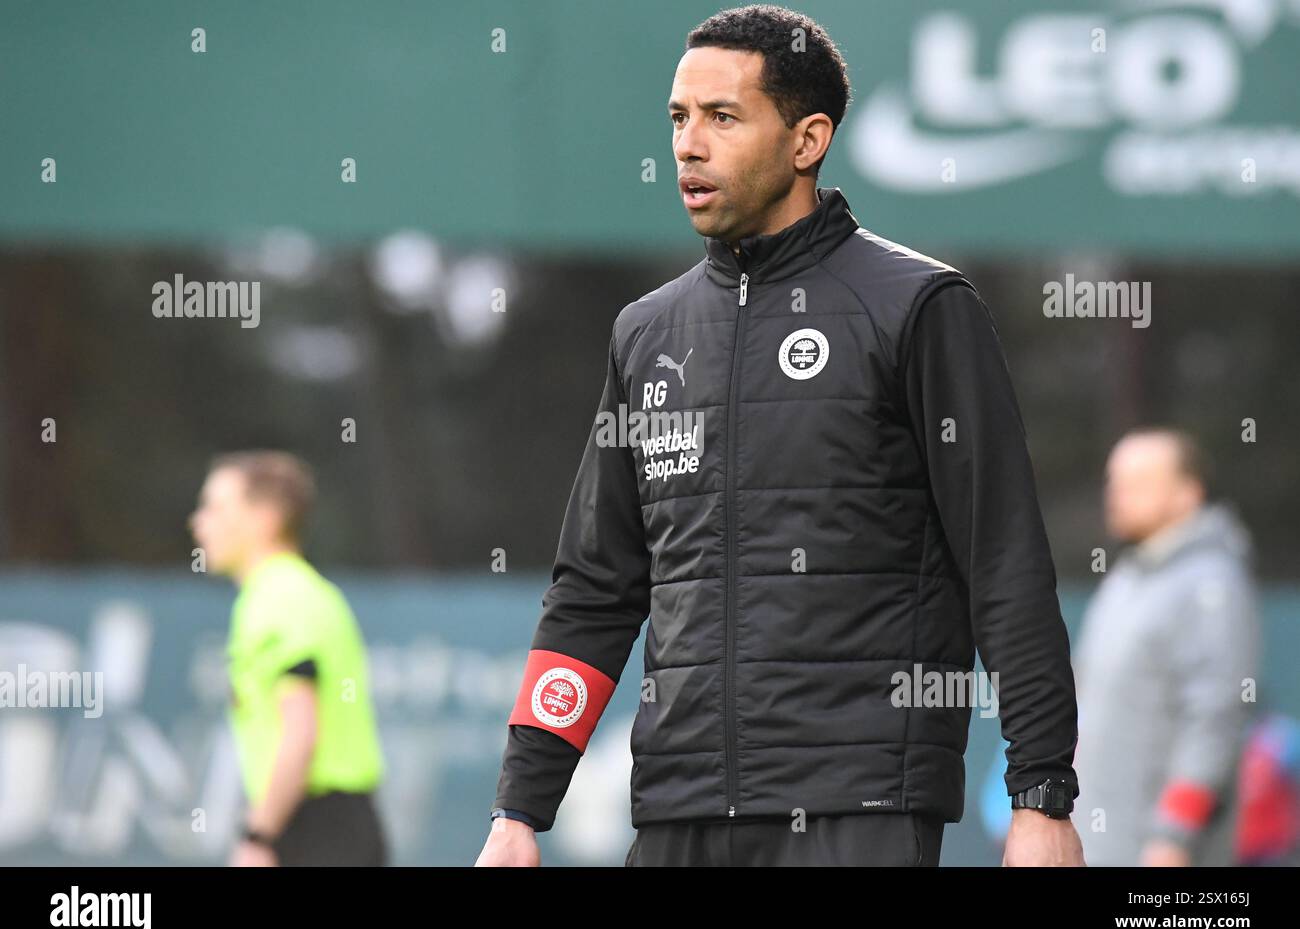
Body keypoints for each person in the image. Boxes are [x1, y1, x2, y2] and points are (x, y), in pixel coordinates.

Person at [479, 4, 1083, 867]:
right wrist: (519, 809)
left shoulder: (918, 307)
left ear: (808, 141)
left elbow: (1005, 560)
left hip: (858, 807)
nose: (689, 145)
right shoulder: (646, 333)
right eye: (679, 119)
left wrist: (1042, 795)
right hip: (677, 808)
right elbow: (594, 589)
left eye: (723, 117)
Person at [190, 450, 388, 866]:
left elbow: (300, 734)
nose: (198, 522)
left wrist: (258, 837)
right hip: (328, 827)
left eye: (214, 507)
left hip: (318, 832)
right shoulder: (291, 592)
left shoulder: (280, 597)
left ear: (266, 518)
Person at [1073, 429, 1260, 866]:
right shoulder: (1126, 578)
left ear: (1187, 492)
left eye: (1138, 482)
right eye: (1113, 481)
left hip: (1155, 854)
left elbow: (1214, 718)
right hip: (1098, 842)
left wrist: (1173, 837)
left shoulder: (1214, 583)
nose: (1117, 494)